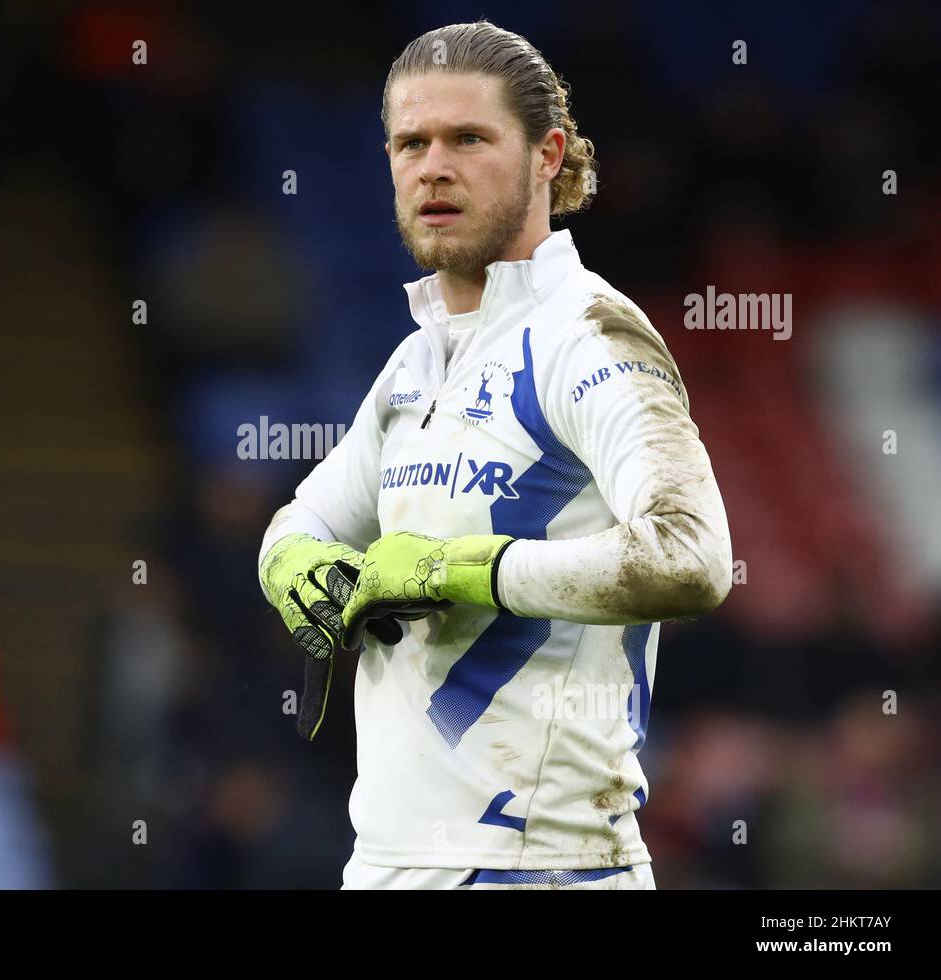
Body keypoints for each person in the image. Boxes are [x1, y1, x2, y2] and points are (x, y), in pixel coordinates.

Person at [256, 21, 732, 890]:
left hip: (537, 868)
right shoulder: (418, 359)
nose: (432, 166)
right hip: (388, 867)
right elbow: (306, 515)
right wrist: (291, 561)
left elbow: (692, 557)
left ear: (548, 155)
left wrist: (461, 570)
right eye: (411, 143)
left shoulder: (587, 334)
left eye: (468, 139)